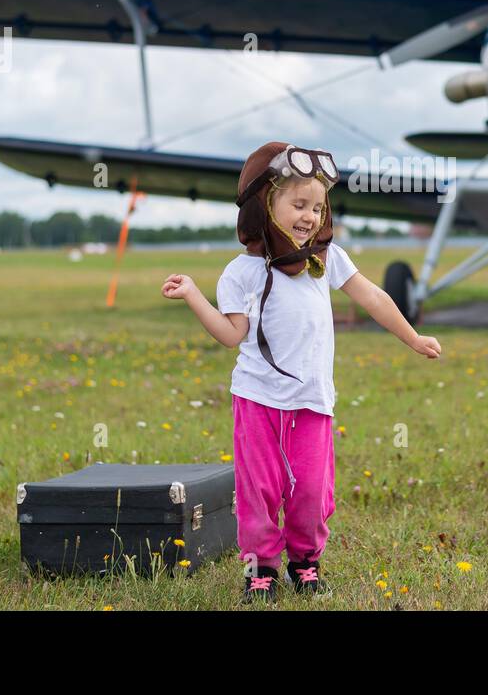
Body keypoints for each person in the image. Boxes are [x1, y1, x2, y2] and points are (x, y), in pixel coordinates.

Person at [161, 141, 441, 603]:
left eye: (317, 206)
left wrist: (412, 338)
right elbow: (232, 336)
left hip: (313, 401)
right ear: (265, 205)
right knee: (260, 493)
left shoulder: (327, 259)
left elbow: (372, 297)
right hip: (257, 401)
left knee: (311, 492)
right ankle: (261, 570)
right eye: (298, 204)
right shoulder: (242, 273)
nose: (310, 216)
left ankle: (305, 563)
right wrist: (194, 294)